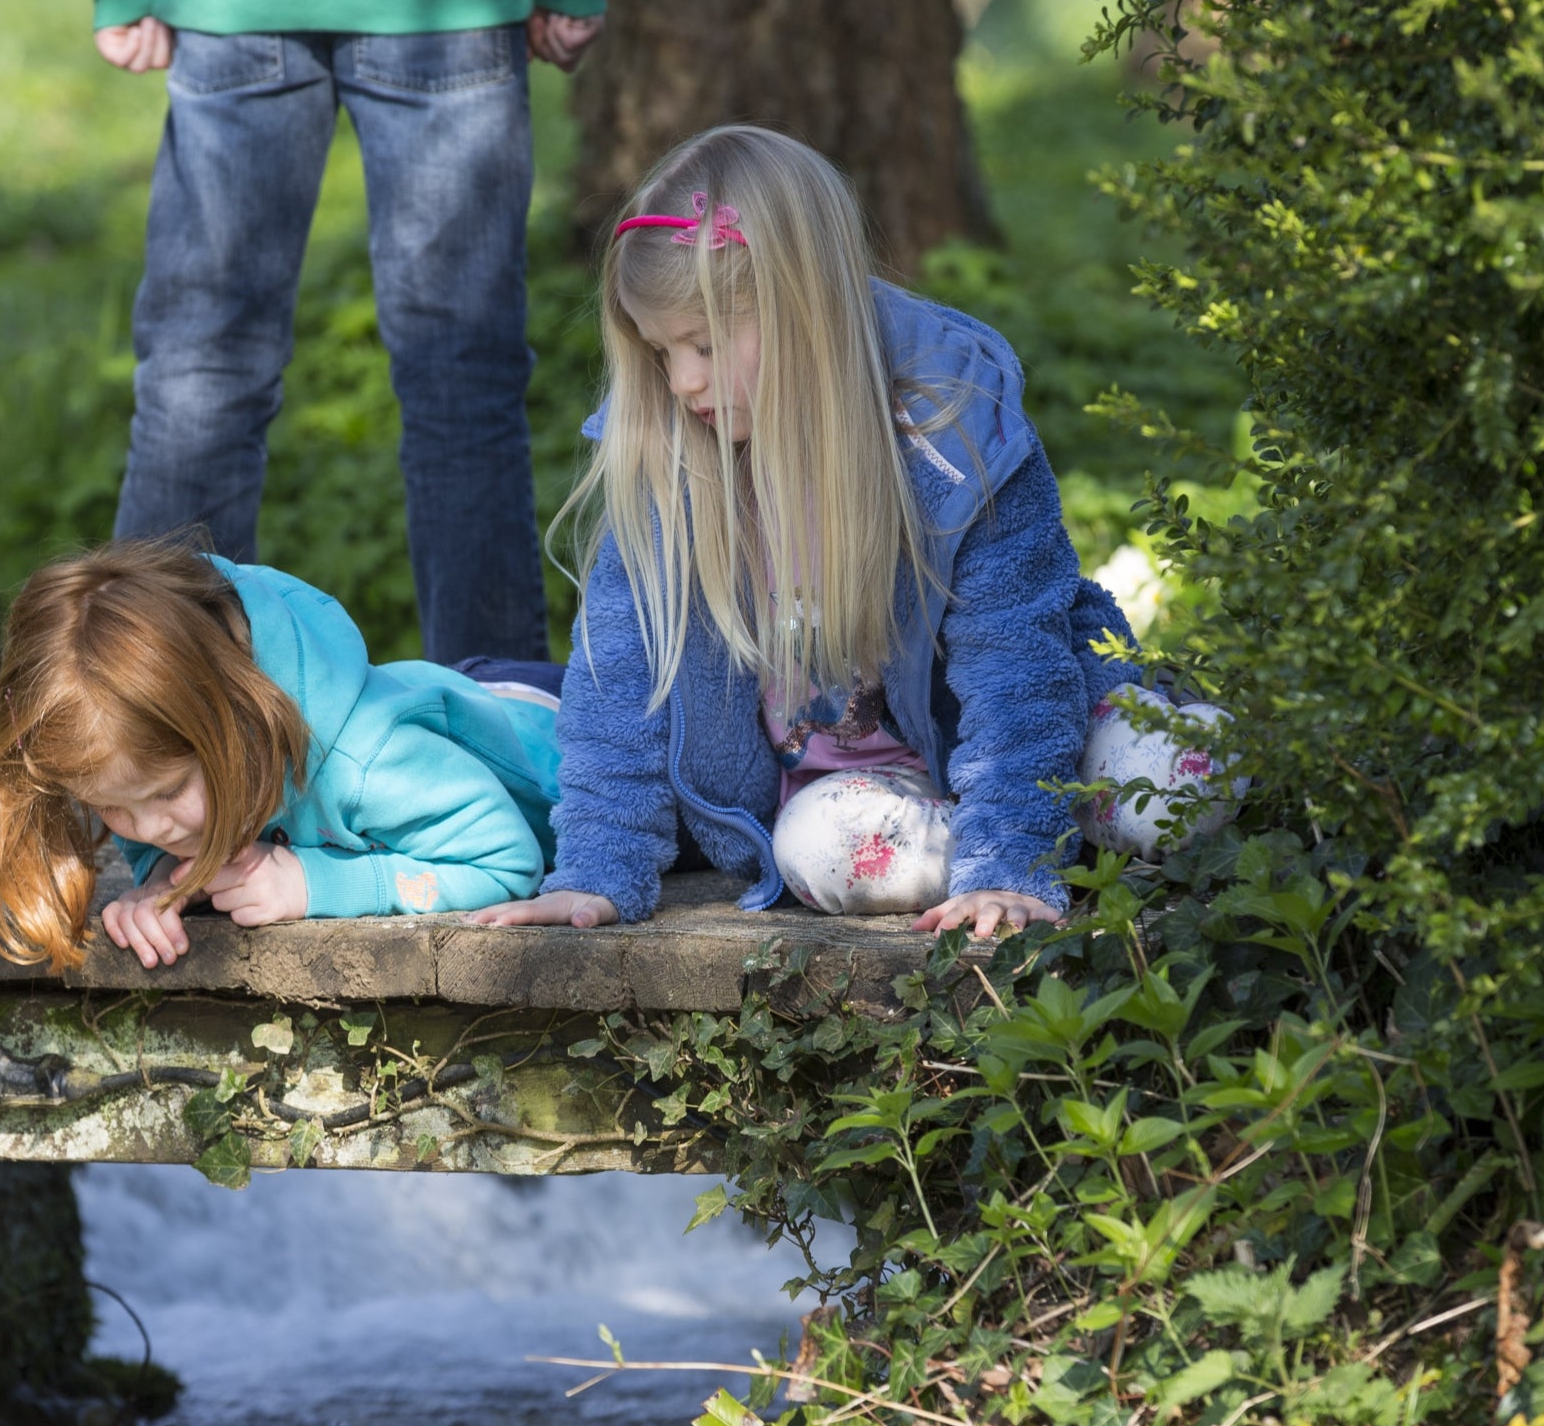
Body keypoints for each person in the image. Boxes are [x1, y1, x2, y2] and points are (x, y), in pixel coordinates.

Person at [472, 126, 1212, 940]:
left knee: (1175, 784)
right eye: (660, 353)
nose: (682, 382)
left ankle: (1040, 833)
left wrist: (1008, 864)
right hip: (867, 794)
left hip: (1029, 746)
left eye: (706, 345)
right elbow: (621, 679)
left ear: (804, 312)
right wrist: (597, 872)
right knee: (820, 850)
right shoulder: (672, 467)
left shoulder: (953, 439)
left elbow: (1016, 666)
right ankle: (1047, 843)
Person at [75, 0, 608, 665]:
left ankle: (149, 700)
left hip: (235, 5)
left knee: (204, 369)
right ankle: (494, 728)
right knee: (462, 383)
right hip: (445, 9)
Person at [0, 540, 565, 971]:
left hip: (552, 715)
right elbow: (151, 823)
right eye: (110, 806)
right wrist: (167, 881)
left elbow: (508, 864)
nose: (150, 827)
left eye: (169, 790)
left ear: (233, 719)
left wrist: (318, 885)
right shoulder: (160, 778)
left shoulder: (367, 765)